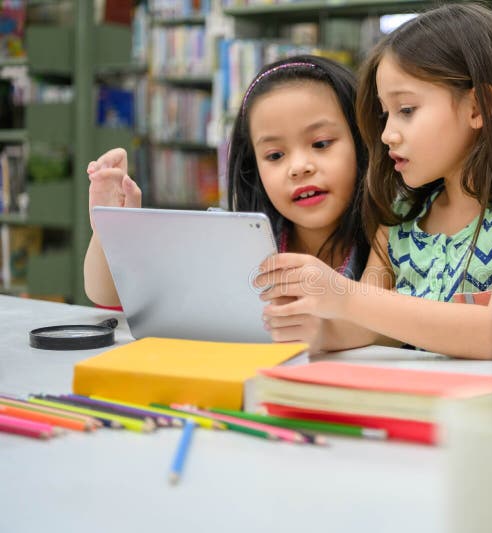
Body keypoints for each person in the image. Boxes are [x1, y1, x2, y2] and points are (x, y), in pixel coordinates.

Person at [257, 4, 492, 367]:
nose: (387, 134)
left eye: (406, 110)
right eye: (385, 114)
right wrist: (314, 331)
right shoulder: (401, 216)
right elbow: (376, 326)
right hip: (428, 409)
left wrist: (343, 294)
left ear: (478, 106)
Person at [83, 55, 370, 351]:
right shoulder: (231, 240)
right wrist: (109, 229)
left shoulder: (390, 241)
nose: (299, 167)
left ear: (364, 142)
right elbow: (107, 295)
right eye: (274, 156)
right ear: (253, 168)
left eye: (320, 144)